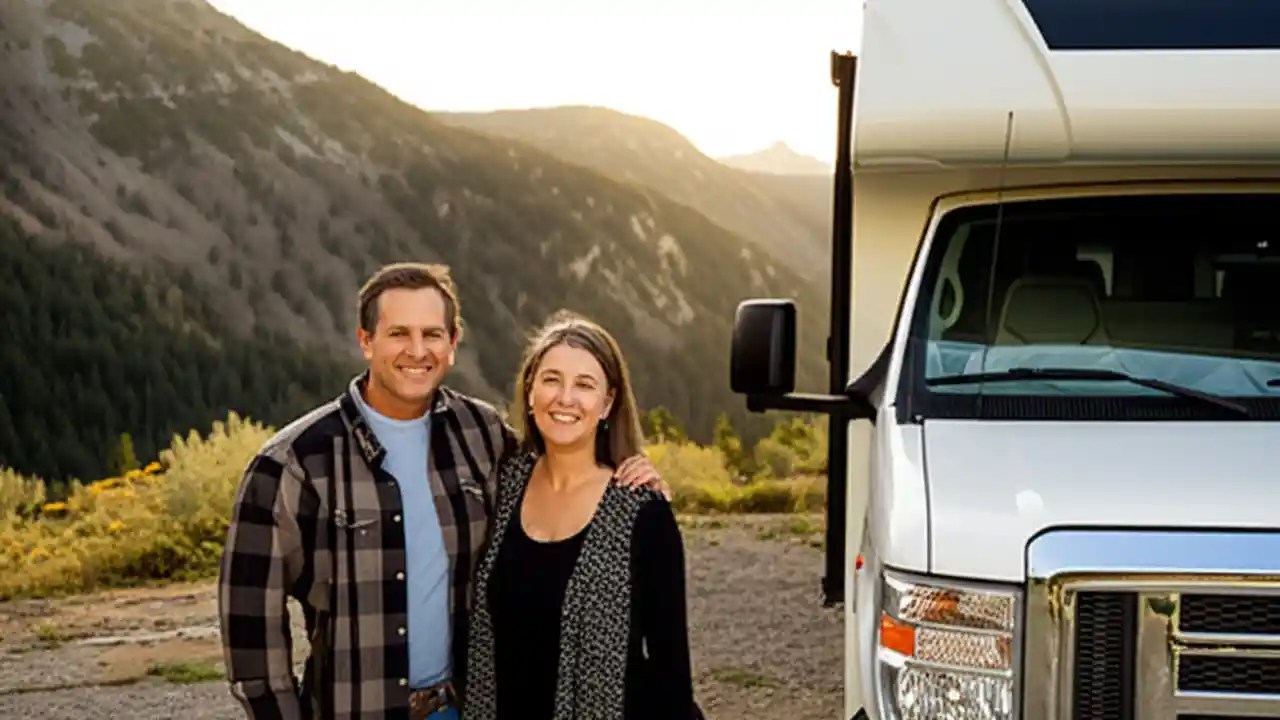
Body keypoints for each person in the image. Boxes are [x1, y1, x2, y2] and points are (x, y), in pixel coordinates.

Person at [217, 263, 664, 720]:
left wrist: (626, 479)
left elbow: (559, 479)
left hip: (467, 709)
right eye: (398, 334)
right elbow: (251, 636)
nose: (417, 351)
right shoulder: (293, 463)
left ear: (453, 344)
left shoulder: (482, 434)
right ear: (366, 340)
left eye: (432, 334)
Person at [463, 311, 698, 719]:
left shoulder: (640, 512)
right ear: (530, 391)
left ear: (607, 403)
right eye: (552, 379)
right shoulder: (503, 485)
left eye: (585, 385)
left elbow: (671, 670)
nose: (565, 398)